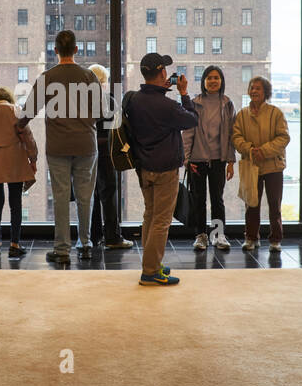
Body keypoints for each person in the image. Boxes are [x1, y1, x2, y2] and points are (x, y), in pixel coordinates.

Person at [19, 29, 101, 263]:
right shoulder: (88, 76)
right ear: (76, 50)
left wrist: (17, 126)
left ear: (55, 51)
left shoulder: (47, 77)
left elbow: (29, 111)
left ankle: (62, 250)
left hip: (58, 147)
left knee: (61, 196)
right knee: (86, 197)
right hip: (86, 144)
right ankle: (85, 244)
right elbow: (100, 112)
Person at [123, 52, 198, 286]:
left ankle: (151, 262)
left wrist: (160, 90)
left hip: (144, 168)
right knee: (161, 221)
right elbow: (192, 120)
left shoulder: (133, 99)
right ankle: (151, 271)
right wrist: (184, 94)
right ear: (163, 73)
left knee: (150, 215)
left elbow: (149, 107)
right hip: (165, 170)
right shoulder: (168, 106)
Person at [0, 86, 38, 256]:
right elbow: (27, 135)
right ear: (9, 98)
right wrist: (33, 158)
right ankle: (14, 244)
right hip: (15, 158)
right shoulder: (16, 110)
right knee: (15, 203)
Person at [182, 65, 236, 252]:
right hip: (197, 159)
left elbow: (231, 135)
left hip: (219, 160)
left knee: (217, 199)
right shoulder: (195, 103)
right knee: (198, 199)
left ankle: (218, 235)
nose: (213, 81)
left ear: (221, 81)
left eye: (216, 78)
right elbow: (187, 132)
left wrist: (231, 161)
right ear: (203, 81)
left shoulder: (227, 103)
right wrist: (186, 159)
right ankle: (200, 235)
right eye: (209, 78)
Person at [233, 76, 290, 252]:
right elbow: (235, 137)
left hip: (273, 165)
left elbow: (284, 137)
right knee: (251, 203)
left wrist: (264, 151)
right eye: (252, 88)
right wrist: (250, 150)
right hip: (251, 165)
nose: (254, 91)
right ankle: (251, 238)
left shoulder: (276, 113)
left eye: (258, 88)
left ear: (265, 92)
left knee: (274, 204)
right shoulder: (242, 114)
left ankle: (275, 239)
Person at [87, 64, 133, 251]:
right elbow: (119, 128)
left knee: (94, 194)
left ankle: (95, 235)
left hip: (87, 152)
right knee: (109, 193)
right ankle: (113, 237)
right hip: (107, 152)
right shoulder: (109, 101)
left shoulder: (81, 102)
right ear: (103, 82)